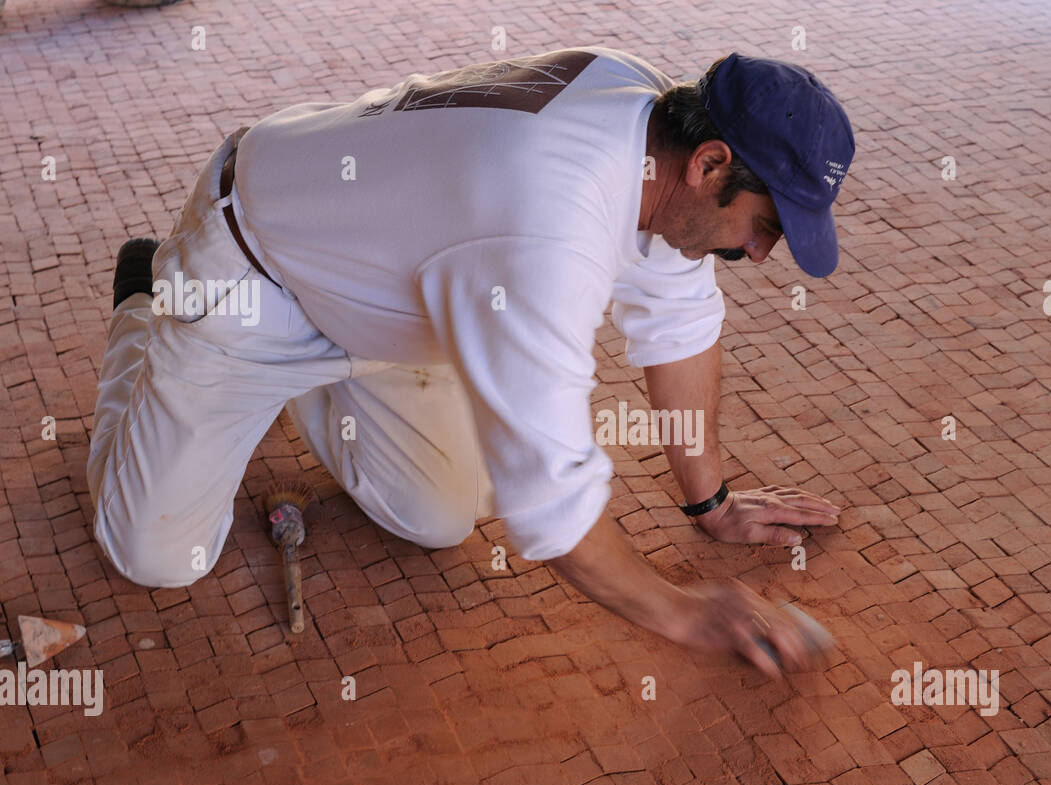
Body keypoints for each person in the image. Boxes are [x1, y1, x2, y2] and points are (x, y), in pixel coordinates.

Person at [90, 47, 856, 677]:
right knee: (154, 554)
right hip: (257, 275)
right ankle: (145, 301)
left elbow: (679, 318)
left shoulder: (651, 126)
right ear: (710, 164)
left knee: (437, 515)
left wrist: (711, 503)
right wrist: (688, 614)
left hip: (384, 301)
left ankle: (313, 391)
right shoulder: (545, 225)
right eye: (764, 226)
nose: (760, 252)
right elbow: (550, 499)